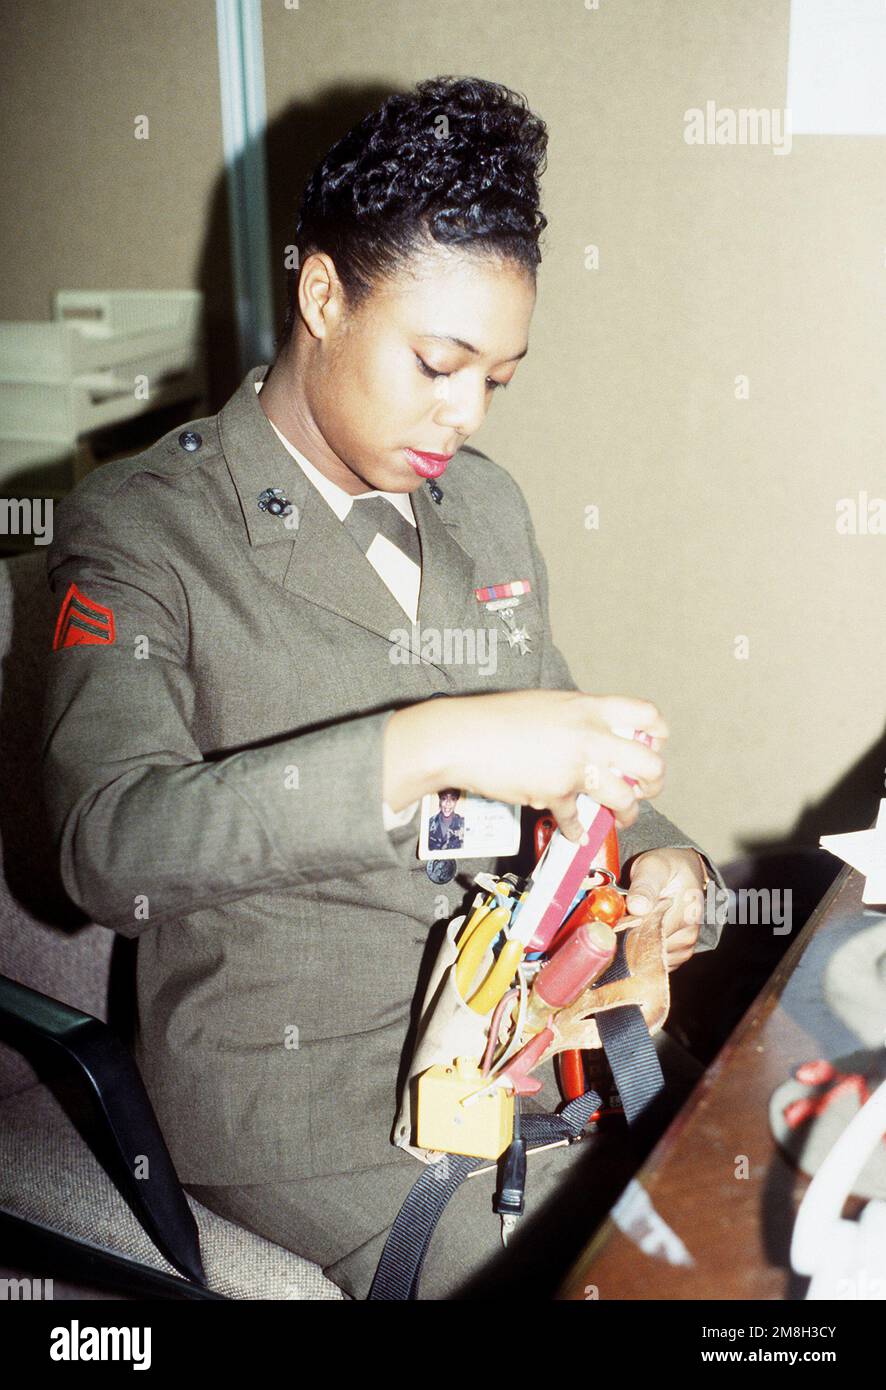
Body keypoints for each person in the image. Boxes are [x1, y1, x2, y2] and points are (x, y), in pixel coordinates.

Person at [40, 75, 726, 1300]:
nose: (462, 416)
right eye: (436, 363)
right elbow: (109, 847)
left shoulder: (487, 509)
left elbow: (562, 745)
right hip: (303, 1092)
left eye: (495, 380)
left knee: (751, 1209)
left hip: (518, 1021)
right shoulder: (143, 531)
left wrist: (668, 862)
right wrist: (426, 741)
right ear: (320, 297)